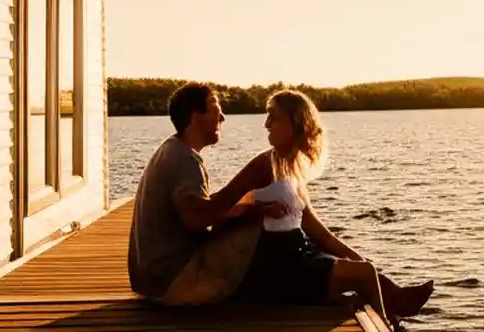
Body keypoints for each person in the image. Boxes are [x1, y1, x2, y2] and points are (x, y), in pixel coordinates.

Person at [232, 89, 435, 323]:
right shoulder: (263, 164)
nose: (266, 124)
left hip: (300, 258)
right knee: (364, 275)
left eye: (273, 117)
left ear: (296, 122)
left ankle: (395, 300)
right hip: (281, 269)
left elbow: (322, 235)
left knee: (363, 278)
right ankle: (389, 318)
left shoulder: (290, 168)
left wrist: (362, 262)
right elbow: (221, 204)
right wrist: (254, 209)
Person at [127, 82, 282, 299]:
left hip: (150, 280)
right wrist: (248, 178)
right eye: (214, 107)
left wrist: (249, 207)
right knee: (263, 226)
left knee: (255, 215)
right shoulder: (184, 158)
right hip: (172, 282)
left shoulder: (171, 149)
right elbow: (195, 218)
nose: (222, 117)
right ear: (195, 116)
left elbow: (197, 207)